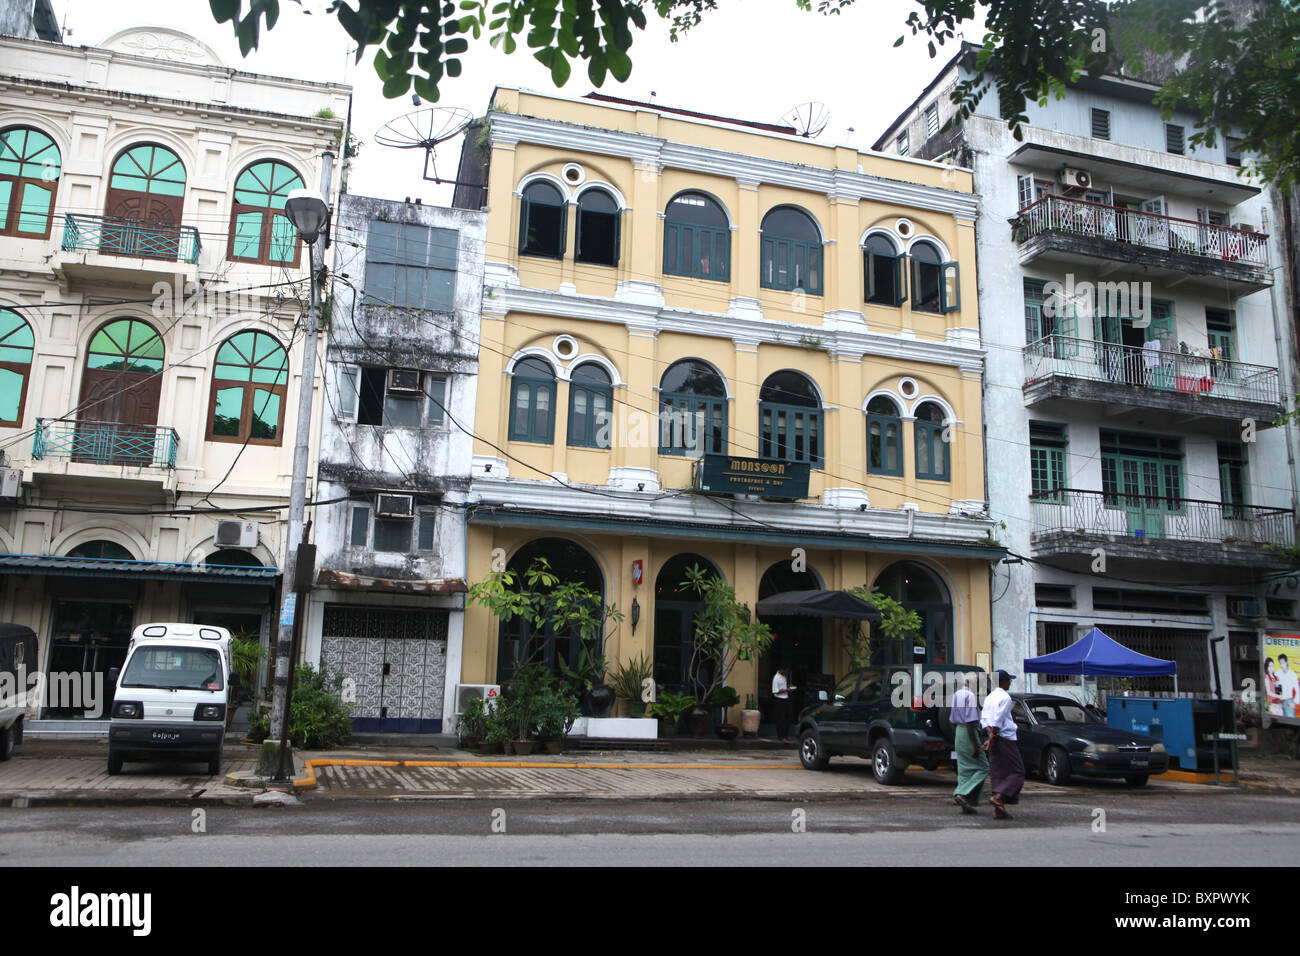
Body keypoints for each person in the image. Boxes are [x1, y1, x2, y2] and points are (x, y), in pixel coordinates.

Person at [980, 669, 1025, 820]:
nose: (1010, 683)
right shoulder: (1005, 697)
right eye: (1009, 680)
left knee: (998, 773)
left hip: (994, 736)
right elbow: (998, 719)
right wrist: (992, 736)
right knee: (1017, 772)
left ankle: (999, 810)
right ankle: (999, 797)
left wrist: (989, 735)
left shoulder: (989, 697)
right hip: (1005, 737)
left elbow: (985, 719)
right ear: (1004, 682)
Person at [950, 672, 988, 815]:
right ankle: (961, 793)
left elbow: (953, 719)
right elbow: (970, 722)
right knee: (983, 766)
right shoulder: (970, 696)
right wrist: (974, 744)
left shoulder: (957, 694)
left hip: (959, 733)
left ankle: (967, 802)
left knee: (965, 769)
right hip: (968, 732)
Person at [772, 667, 794, 743]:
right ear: (782, 670)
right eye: (786, 671)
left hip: (786, 698)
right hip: (779, 699)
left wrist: (788, 687)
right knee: (780, 718)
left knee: (787, 717)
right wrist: (786, 690)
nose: (787, 673)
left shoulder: (784, 677)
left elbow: (783, 686)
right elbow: (775, 691)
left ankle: (786, 735)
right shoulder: (776, 678)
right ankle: (781, 737)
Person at [1278, 655, 1299, 719]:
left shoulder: (1292, 675)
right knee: (1281, 723)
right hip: (1279, 702)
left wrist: (1294, 703)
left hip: (1289, 702)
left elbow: (1298, 690)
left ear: (1286, 662)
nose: (1281, 665)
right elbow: (1277, 689)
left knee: (1291, 722)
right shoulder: (1278, 673)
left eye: (1283, 663)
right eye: (1280, 663)